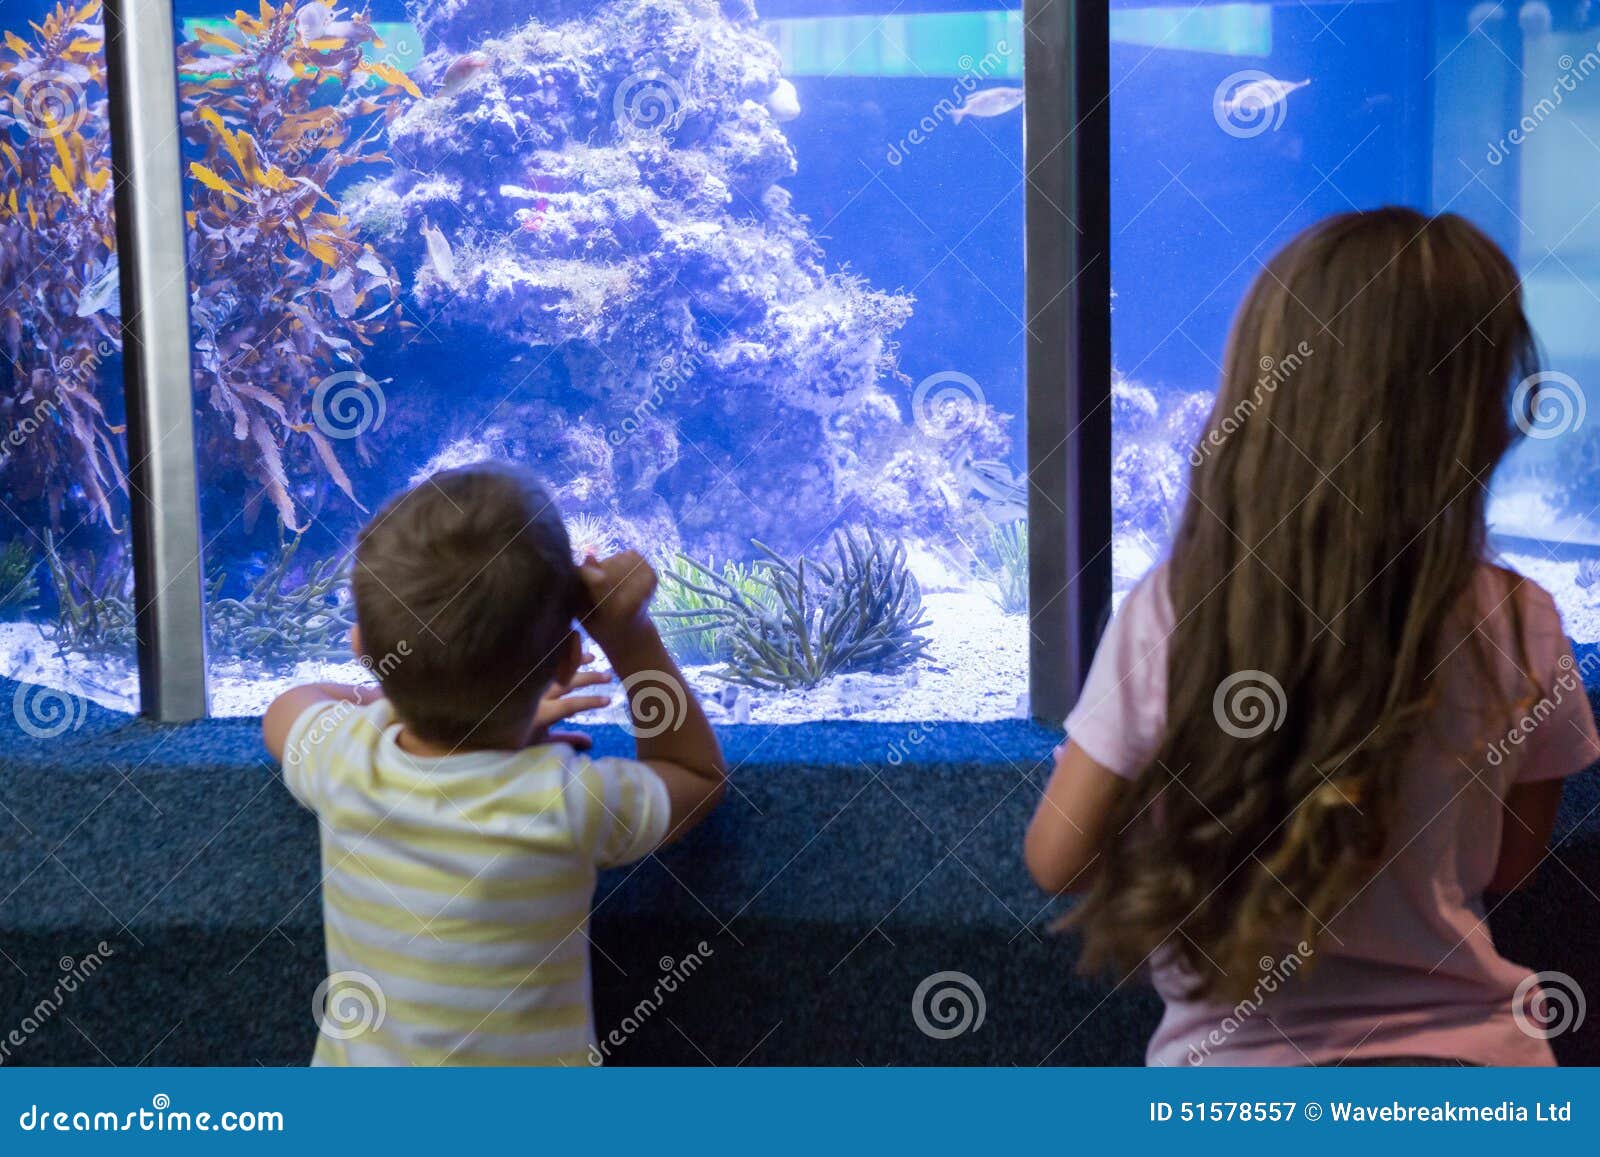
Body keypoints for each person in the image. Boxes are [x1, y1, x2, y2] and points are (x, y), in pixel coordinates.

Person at [1026, 207, 1600, 1066]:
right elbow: (1512, 862)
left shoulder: (1178, 610)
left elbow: (1057, 857)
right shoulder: (1522, 619)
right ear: (1480, 411)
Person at [262, 461, 726, 1065]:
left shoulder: (344, 760)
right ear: (567, 659)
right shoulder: (564, 800)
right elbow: (696, 773)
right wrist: (631, 637)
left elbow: (289, 705)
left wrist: (433, 699)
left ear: (364, 653)